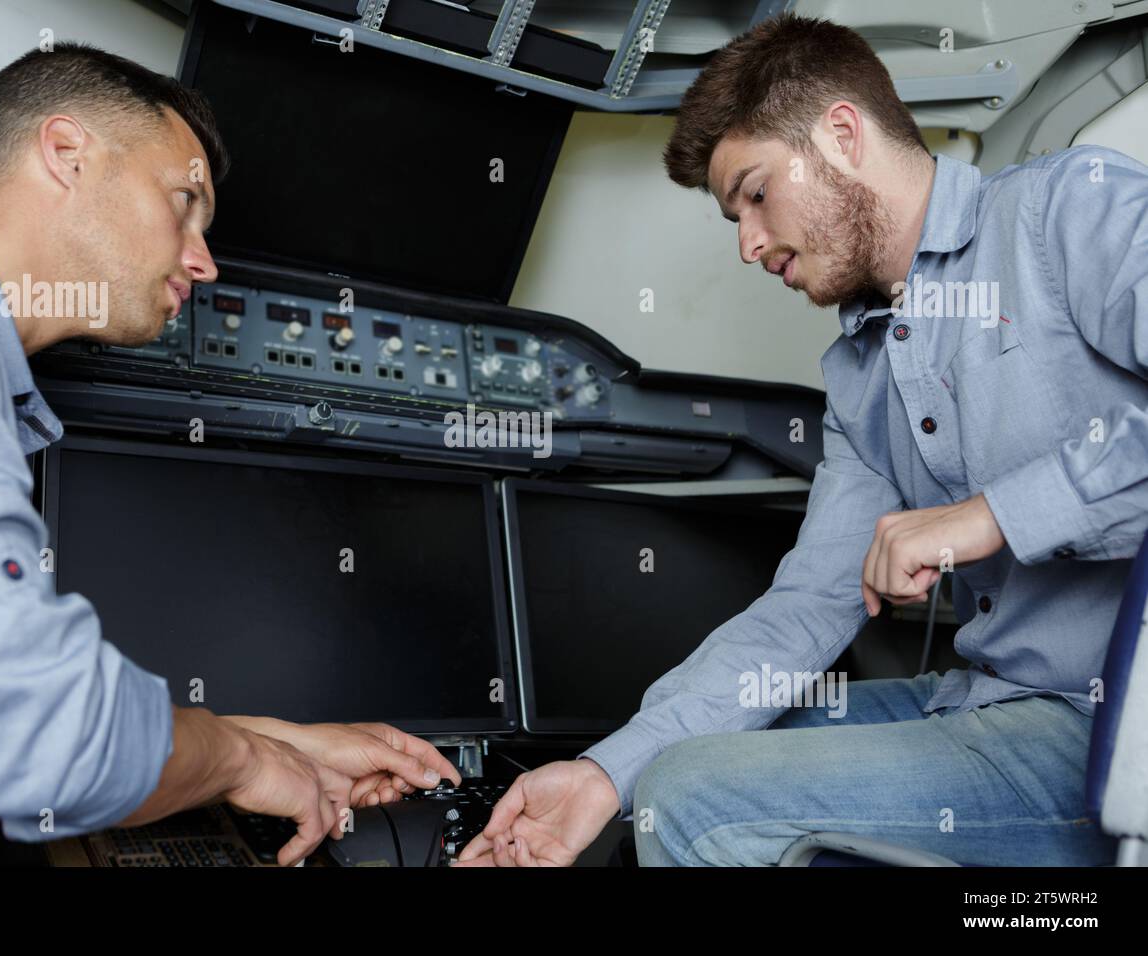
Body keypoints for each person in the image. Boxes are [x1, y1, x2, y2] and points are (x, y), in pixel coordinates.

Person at [458, 13, 1145, 867]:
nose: (747, 244)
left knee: (695, 801)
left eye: (753, 194)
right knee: (666, 767)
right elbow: (808, 608)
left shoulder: (1067, 211)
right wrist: (605, 774)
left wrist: (987, 516)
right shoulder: (860, 379)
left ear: (843, 135)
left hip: (1114, 727)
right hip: (987, 702)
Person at [0, 43, 459, 867]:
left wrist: (270, 744)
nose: (203, 262)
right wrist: (236, 758)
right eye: (184, 203)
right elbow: (45, 742)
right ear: (65, 154)